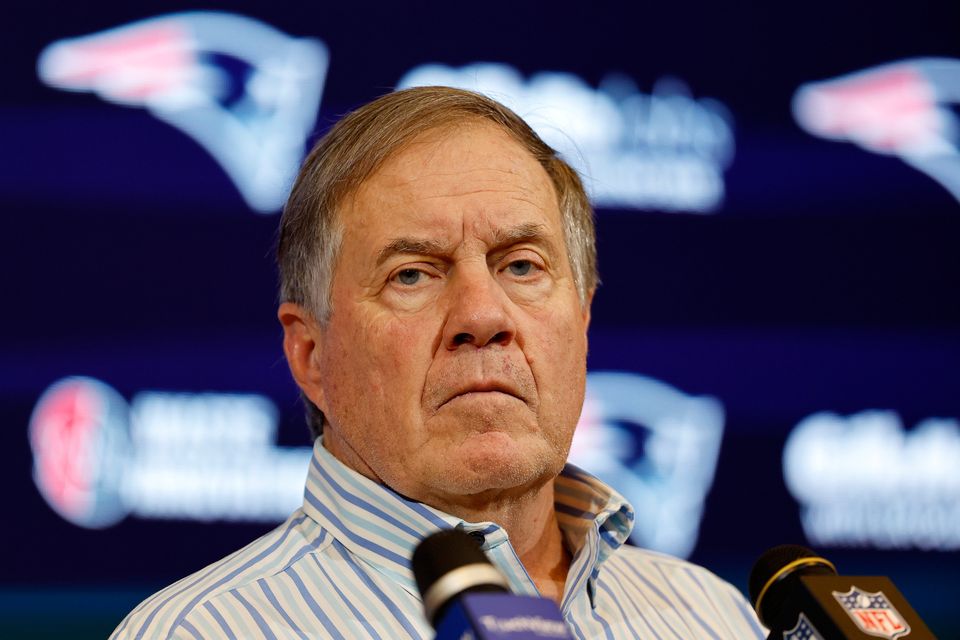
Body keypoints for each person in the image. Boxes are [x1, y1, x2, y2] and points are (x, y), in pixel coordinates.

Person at [111, 86, 765, 639]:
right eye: (414, 276)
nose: (483, 316)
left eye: (520, 266)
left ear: (583, 319)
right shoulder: (204, 631)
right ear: (311, 356)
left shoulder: (714, 618)